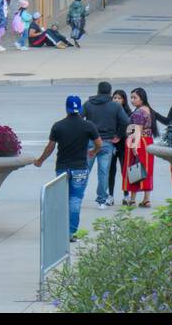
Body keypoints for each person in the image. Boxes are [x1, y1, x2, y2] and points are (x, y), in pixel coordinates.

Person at [32, 96, 102, 240]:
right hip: (80, 169)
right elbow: (99, 143)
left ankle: (59, 229)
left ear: (67, 108)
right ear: (80, 109)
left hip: (62, 168)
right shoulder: (88, 125)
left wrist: (40, 161)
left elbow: (50, 147)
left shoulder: (58, 126)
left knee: (61, 199)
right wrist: (93, 152)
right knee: (75, 200)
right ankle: (71, 232)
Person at [82, 81, 129, 208]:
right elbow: (126, 121)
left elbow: (79, 118)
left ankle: (78, 195)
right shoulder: (115, 106)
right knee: (103, 173)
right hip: (107, 142)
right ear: (109, 92)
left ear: (98, 90)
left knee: (85, 170)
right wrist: (118, 135)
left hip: (91, 142)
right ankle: (102, 200)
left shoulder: (88, 104)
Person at [123, 88, 159, 207]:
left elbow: (137, 129)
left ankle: (132, 199)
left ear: (141, 98)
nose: (132, 100)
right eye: (131, 97)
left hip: (138, 142)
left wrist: (134, 146)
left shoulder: (139, 112)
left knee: (134, 168)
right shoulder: (148, 110)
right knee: (146, 170)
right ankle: (146, 199)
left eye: (134, 97)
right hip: (148, 142)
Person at [107, 89, 130, 202]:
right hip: (111, 144)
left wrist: (120, 136)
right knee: (111, 171)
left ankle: (126, 195)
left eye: (119, 98)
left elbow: (129, 127)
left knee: (124, 170)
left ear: (124, 100)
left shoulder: (127, 112)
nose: (116, 100)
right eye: (115, 97)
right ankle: (110, 196)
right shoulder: (109, 110)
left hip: (123, 145)